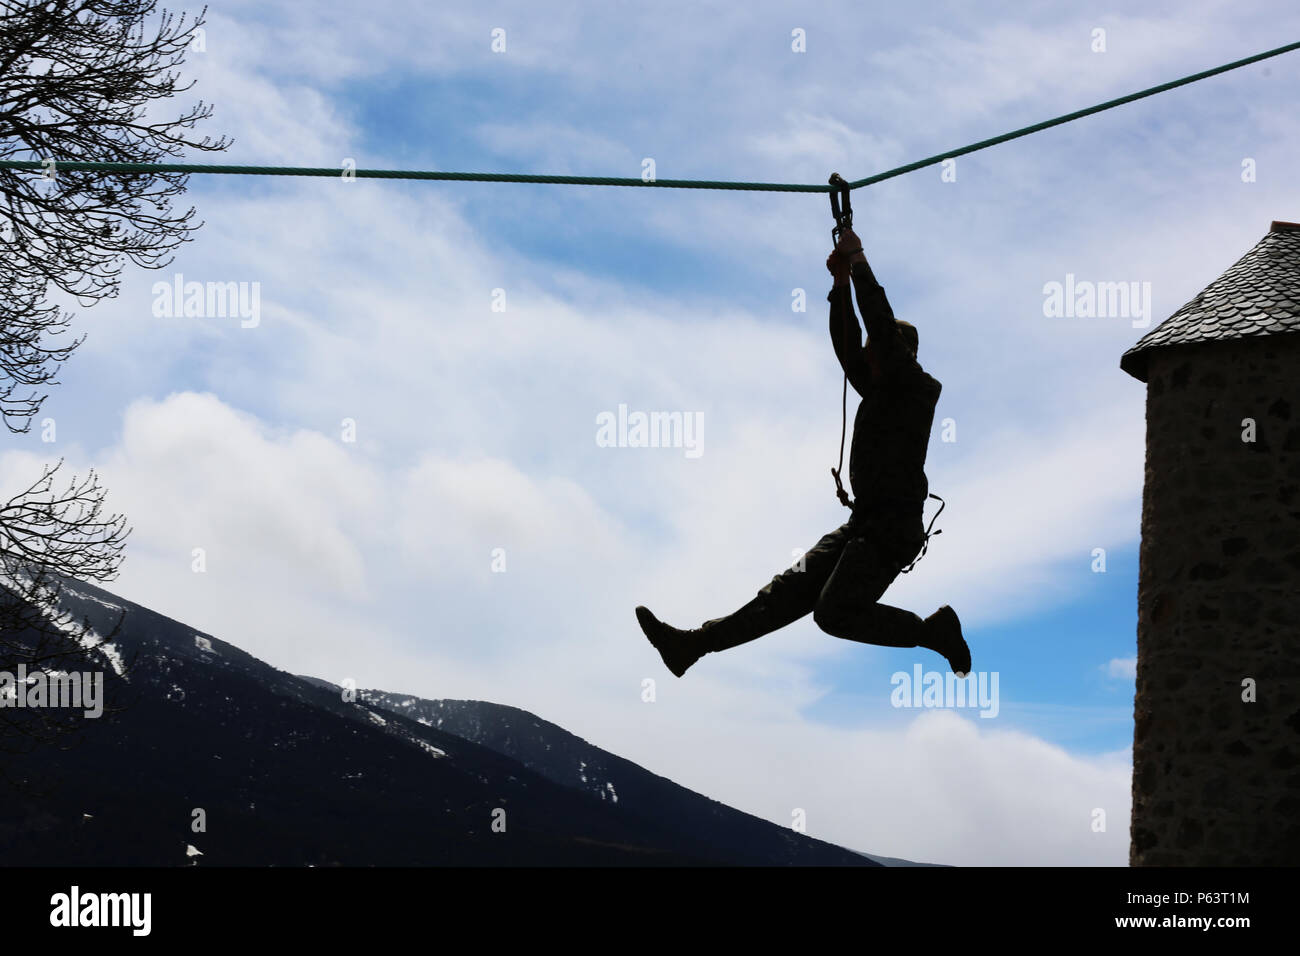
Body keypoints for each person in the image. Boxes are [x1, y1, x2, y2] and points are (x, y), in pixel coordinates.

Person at [635, 227, 971, 678]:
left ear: (896, 355)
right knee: (784, 594)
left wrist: (859, 261)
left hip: (891, 529)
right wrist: (839, 286)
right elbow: (849, 343)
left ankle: (932, 632)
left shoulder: (912, 390)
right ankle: (692, 647)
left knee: (832, 613)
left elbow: (877, 329)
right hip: (865, 523)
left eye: (876, 352)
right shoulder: (881, 387)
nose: (866, 360)